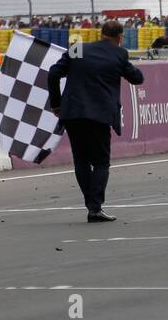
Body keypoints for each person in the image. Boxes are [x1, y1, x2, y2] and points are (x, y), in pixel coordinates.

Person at [46, 20, 145, 223]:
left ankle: (91, 205)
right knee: (100, 161)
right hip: (100, 115)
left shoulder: (78, 49)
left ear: (101, 34)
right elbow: (138, 78)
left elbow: (53, 73)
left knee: (81, 159)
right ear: (120, 38)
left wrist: (56, 104)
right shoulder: (119, 54)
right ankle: (95, 207)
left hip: (73, 113)